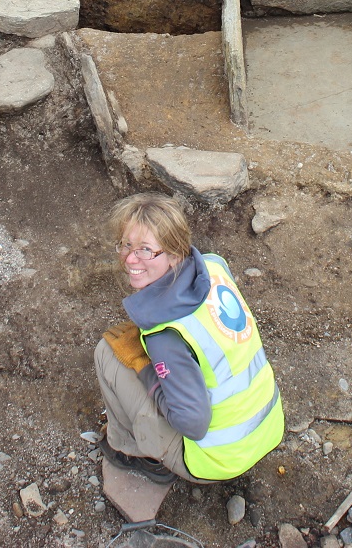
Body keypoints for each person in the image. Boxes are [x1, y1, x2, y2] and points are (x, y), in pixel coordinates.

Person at [94, 193, 284, 485]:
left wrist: (146, 372)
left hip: (216, 460)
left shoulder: (166, 337)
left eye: (146, 250)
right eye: (126, 245)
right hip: (267, 427)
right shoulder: (214, 267)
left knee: (107, 354)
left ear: (174, 254)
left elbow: (193, 424)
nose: (130, 258)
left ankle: (133, 452)